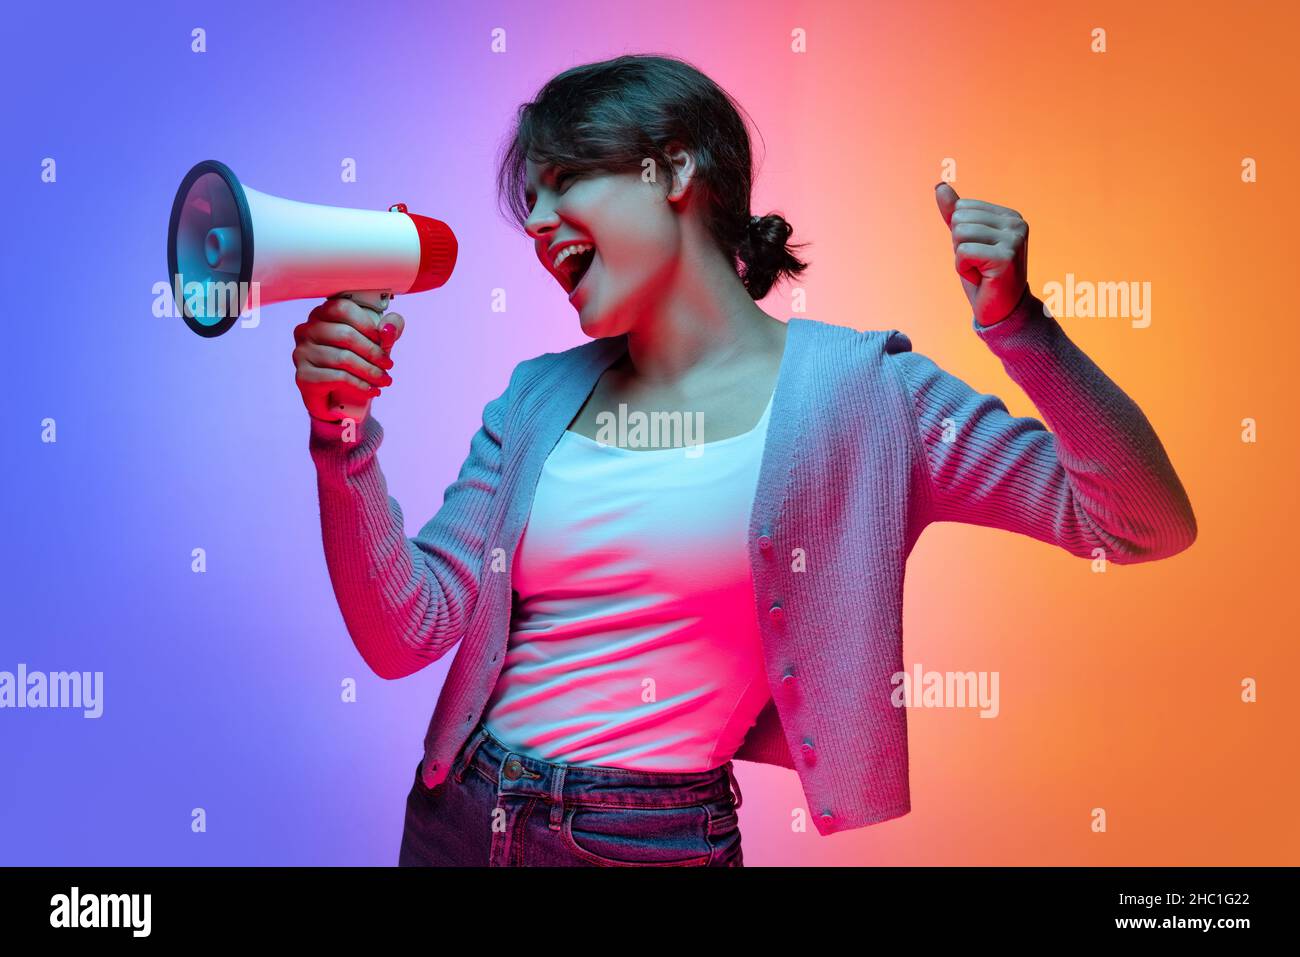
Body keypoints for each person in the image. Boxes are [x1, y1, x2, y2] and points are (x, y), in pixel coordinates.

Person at [294, 55, 1197, 867]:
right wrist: (341, 434)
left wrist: (1021, 329)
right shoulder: (535, 397)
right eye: (529, 198)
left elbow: (1141, 522)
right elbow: (403, 630)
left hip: (643, 844)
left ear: (675, 167)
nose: (534, 222)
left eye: (564, 179)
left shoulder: (869, 395)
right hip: (457, 817)